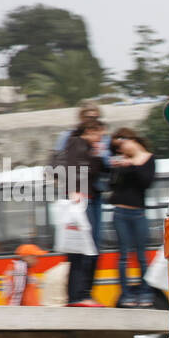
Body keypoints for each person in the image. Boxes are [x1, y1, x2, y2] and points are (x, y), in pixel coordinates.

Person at [109, 127, 156, 307]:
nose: (120, 150)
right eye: (117, 149)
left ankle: (145, 292)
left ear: (131, 140)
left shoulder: (149, 159)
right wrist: (118, 168)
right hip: (120, 212)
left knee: (142, 256)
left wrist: (132, 166)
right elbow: (112, 185)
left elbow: (146, 182)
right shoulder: (121, 161)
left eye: (121, 145)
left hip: (138, 213)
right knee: (123, 256)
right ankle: (126, 294)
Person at [61, 119, 106, 304]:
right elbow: (70, 167)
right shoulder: (76, 143)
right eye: (98, 134)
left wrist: (96, 154)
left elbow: (95, 171)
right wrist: (73, 190)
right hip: (82, 200)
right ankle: (79, 295)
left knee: (88, 249)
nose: (100, 138)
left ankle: (83, 293)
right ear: (89, 130)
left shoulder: (88, 148)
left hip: (90, 199)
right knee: (82, 250)